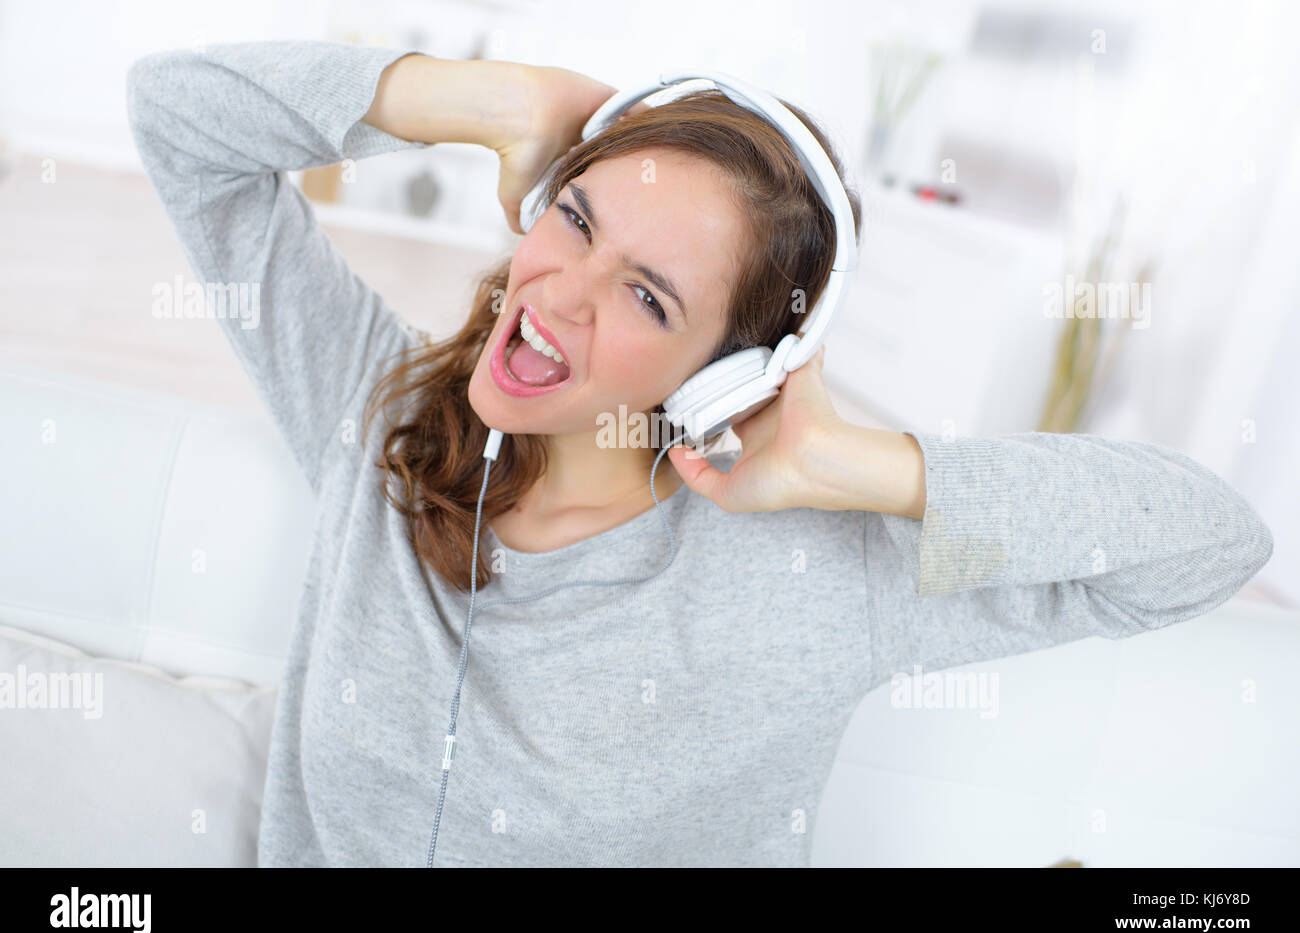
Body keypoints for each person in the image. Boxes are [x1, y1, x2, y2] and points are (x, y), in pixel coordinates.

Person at [126, 40, 1274, 867]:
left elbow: (1209, 543)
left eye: (645, 293)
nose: (556, 298)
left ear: (730, 372)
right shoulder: (380, 416)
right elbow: (177, 114)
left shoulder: (823, 579)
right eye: (574, 217)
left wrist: (862, 468)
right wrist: (480, 97)